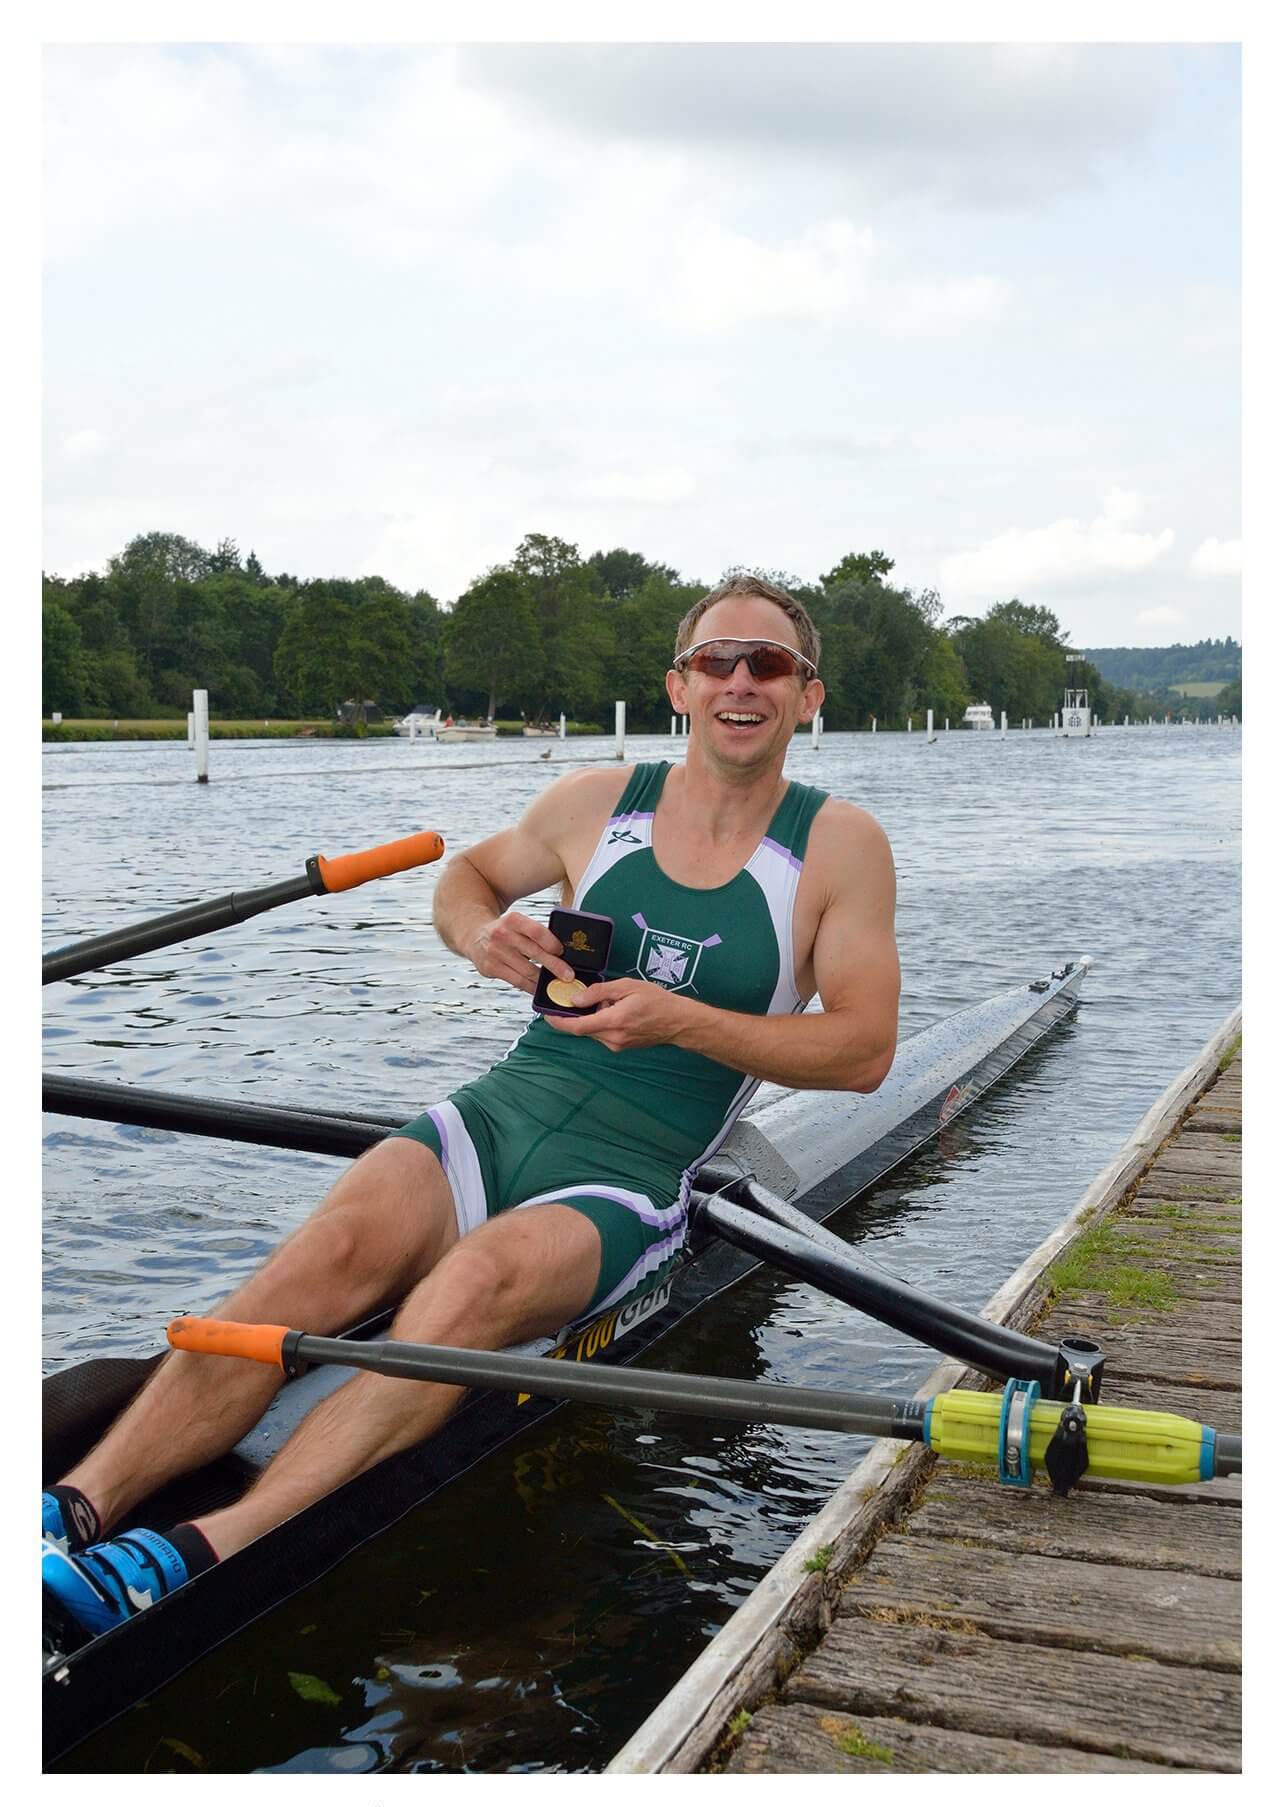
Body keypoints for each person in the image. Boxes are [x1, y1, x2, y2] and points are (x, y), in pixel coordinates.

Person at [42, 573, 900, 1639]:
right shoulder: (595, 802)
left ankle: (204, 1551)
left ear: (807, 696)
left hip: (629, 1173)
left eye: (767, 664)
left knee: (469, 1287)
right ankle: (72, 1508)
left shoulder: (839, 845)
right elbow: (464, 881)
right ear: (678, 686)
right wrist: (480, 934)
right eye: (716, 660)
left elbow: (864, 1049)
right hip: (494, 1116)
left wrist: (683, 1021)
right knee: (321, 1254)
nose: (740, 681)